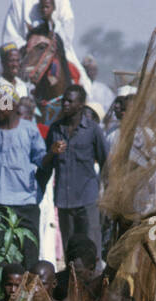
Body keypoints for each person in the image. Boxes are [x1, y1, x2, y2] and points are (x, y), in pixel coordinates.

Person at [0, 88, 46, 267]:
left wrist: (53, 153)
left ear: (13, 105)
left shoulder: (29, 129)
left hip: (25, 202)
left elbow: (41, 159)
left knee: (29, 252)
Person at [39, 84, 106, 252]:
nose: (65, 104)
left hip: (87, 200)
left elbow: (106, 163)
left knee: (91, 249)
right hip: (64, 201)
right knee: (70, 250)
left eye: (70, 101)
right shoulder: (55, 129)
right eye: (64, 101)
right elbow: (45, 165)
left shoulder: (93, 130)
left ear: (81, 104)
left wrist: (106, 194)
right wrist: (52, 152)